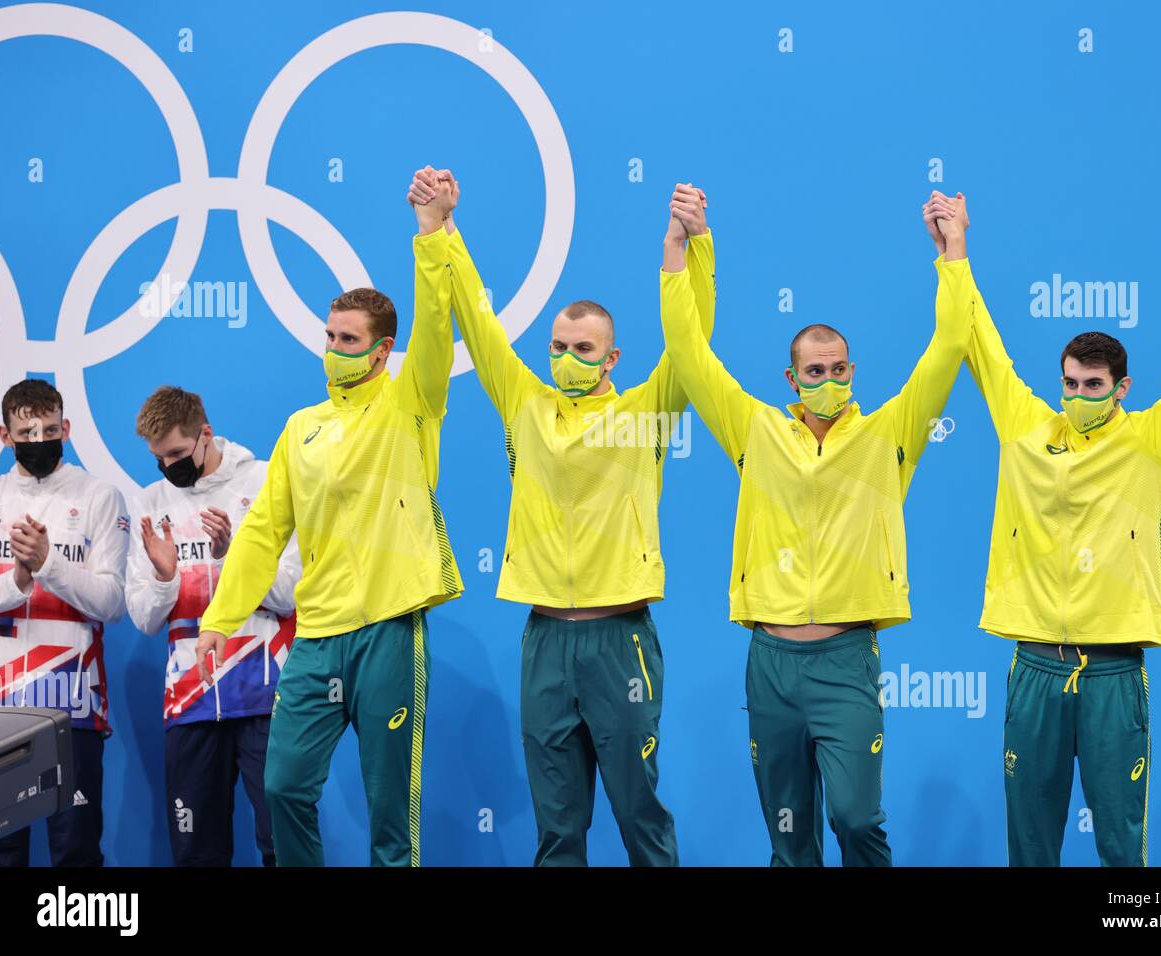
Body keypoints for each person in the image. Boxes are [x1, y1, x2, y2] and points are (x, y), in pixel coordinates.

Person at [928, 187, 1161, 866]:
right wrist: (954, 251)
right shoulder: (1026, 429)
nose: (1078, 395)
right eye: (1070, 383)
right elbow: (978, 343)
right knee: (1029, 851)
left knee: (1120, 852)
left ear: (1122, 387)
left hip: (1116, 674)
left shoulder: (1154, 438)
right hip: (1034, 669)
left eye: (1093, 385)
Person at [658, 192, 977, 866]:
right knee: (788, 838)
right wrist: (685, 246)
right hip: (769, 663)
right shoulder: (754, 430)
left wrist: (952, 252)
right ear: (792, 377)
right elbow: (686, 351)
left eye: (837, 370)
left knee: (857, 820)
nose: (827, 381)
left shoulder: (890, 432)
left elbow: (951, 344)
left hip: (845, 663)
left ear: (852, 372)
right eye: (814, 372)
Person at [409, 170, 715, 866]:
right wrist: (437, 230)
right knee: (557, 830)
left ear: (612, 358)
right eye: (557, 346)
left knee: (641, 816)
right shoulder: (525, 404)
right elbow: (478, 324)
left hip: (621, 641)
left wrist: (690, 246)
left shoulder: (648, 412)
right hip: (545, 640)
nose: (566, 358)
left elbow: (692, 341)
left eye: (583, 350)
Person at [195, 173, 465, 866]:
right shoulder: (300, 427)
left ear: (381, 352)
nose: (333, 346)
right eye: (329, 333)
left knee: (388, 814)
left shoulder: (412, 403)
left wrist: (430, 231)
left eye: (348, 338)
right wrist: (220, 620)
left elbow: (437, 328)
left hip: (388, 631)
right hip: (316, 636)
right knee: (283, 787)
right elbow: (263, 533)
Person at [126, 385, 301, 866]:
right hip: (189, 699)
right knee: (196, 853)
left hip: (268, 694)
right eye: (159, 458)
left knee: (282, 845)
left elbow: (291, 593)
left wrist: (234, 557)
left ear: (206, 434)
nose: (169, 467)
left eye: (178, 454)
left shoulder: (266, 481)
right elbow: (142, 617)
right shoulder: (149, 502)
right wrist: (164, 578)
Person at [0, 379, 130, 866]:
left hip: (73, 705)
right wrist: (18, 581)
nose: (38, 439)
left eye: (49, 429)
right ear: (5, 437)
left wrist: (50, 563)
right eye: (26, 432)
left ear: (66, 428)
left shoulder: (99, 496)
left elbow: (112, 602)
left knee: (76, 850)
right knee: (1, 850)